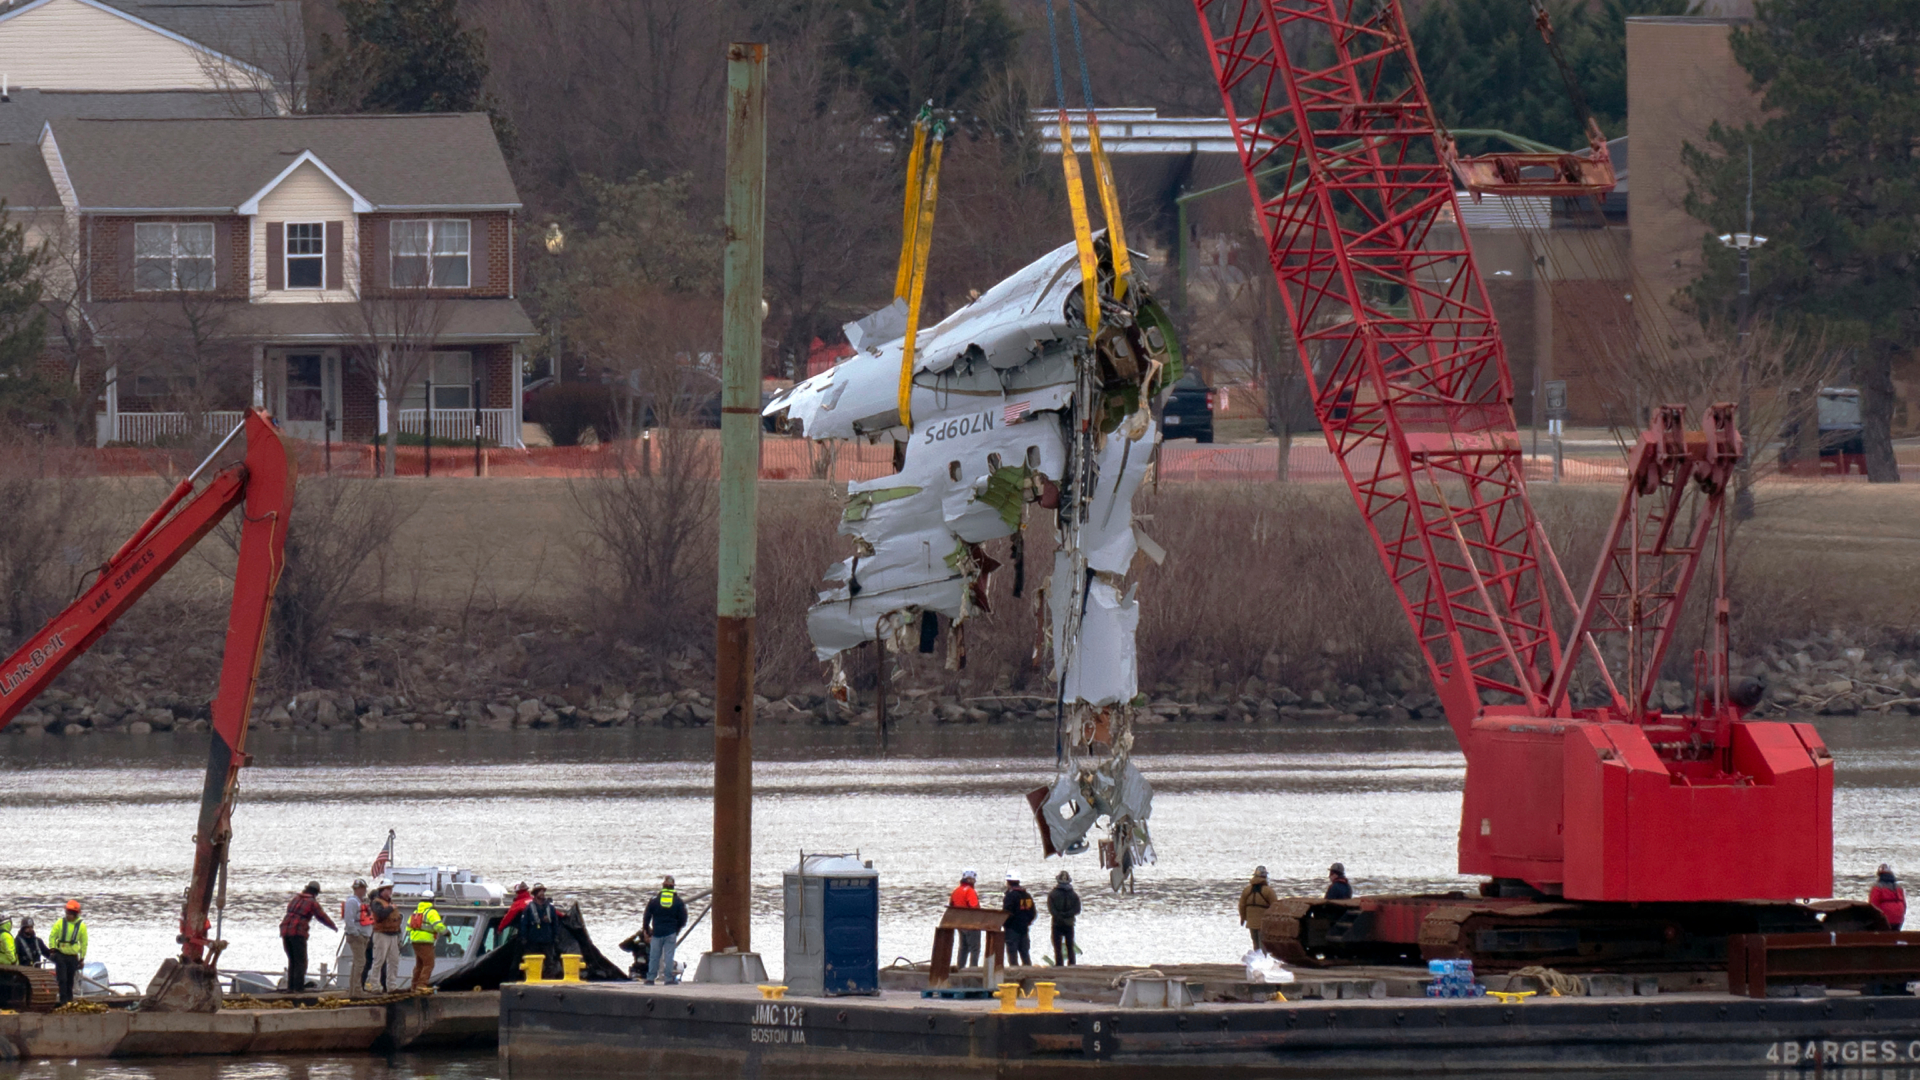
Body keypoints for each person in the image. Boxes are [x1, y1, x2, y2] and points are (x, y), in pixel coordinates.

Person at [279, 880, 338, 993]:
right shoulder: (312, 902)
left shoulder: (295, 898)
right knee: (301, 961)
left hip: (285, 931)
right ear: (315, 893)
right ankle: (298, 988)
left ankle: (290, 988)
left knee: (292, 960)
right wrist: (333, 926)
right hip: (297, 932)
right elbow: (321, 916)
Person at [642, 876, 688, 985]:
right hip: (671, 932)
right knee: (669, 956)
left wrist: (646, 930)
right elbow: (683, 918)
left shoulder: (654, 900)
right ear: (673, 887)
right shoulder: (678, 901)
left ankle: (650, 978)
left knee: (654, 956)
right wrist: (677, 929)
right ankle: (668, 979)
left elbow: (647, 916)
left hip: (657, 932)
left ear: (663, 886)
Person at [514, 883, 563, 978]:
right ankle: (532, 978)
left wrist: (556, 936)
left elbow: (555, 924)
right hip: (533, 940)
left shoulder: (550, 908)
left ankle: (548, 980)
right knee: (532, 961)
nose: (542, 893)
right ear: (535, 893)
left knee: (549, 962)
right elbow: (524, 924)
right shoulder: (528, 908)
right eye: (540, 892)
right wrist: (524, 937)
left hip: (547, 940)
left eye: (543, 891)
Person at [367, 879, 404, 994]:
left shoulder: (389, 902)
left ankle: (392, 986)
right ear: (382, 890)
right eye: (388, 889)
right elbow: (380, 915)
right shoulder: (376, 902)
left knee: (394, 961)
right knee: (379, 960)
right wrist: (390, 908)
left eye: (391, 889)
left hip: (393, 934)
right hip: (381, 934)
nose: (390, 891)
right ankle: (374, 986)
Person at [48, 900, 87, 1004]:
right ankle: (63, 1001)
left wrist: (82, 957)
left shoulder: (81, 926)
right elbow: (52, 935)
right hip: (61, 954)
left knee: (70, 980)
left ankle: (69, 1001)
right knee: (62, 979)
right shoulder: (60, 923)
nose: (68, 915)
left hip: (73, 957)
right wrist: (52, 949)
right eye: (67, 913)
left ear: (75, 914)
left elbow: (84, 942)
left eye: (70, 913)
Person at [341, 878, 374, 995]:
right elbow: (349, 920)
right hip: (357, 936)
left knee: (358, 962)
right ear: (357, 889)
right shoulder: (352, 902)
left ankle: (353, 990)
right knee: (360, 962)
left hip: (364, 936)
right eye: (362, 889)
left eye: (365, 889)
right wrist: (356, 933)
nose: (364, 891)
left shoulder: (361, 902)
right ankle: (357, 990)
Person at [408, 897, 448, 990]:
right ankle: (422, 985)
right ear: (432, 901)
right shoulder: (431, 912)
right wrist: (446, 932)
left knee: (419, 964)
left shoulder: (415, 912)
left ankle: (414, 986)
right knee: (429, 963)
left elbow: (408, 926)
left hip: (414, 940)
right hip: (425, 941)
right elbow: (438, 925)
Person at [1239, 866, 1278, 951]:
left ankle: (1257, 959)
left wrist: (1243, 918)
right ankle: (1263, 961)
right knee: (1263, 945)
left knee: (1255, 944)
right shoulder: (1268, 891)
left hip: (1251, 922)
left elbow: (1241, 905)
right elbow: (1275, 907)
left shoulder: (1247, 890)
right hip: (1264, 923)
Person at [1001, 873, 1036, 967]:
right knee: (1025, 953)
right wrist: (1027, 922)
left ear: (1008, 883)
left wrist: (1005, 924)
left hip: (1012, 929)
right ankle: (1028, 971)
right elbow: (1033, 913)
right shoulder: (1027, 895)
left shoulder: (1010, 896)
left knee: (1012, 954)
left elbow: (1007, 913)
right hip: (1024, 928)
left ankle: (1014, 973)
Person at [1048, 871, 1081, 966]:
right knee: (1070, 946)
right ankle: (1072, 964)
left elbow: (1051, 910)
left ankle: (1059, 965)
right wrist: (1067, 915)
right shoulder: (1074, 895)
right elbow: (1077, 909)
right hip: (1069, 924)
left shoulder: (1052, 894)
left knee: (1057, 947)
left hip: (1057, 923)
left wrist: (1060, 916)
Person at [951, 870, 982, 968]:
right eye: (974, 879)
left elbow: (952, 906)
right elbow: (974, 907)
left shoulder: (956, 891)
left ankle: (960, 968)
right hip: (971, 923)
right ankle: (973, 969)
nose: (975, 881)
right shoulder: (970, 891)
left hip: (960, 923)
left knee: (963, 948)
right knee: (975, 948)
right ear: (970, 879)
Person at [1872, 864, 1908, 930]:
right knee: (1894, 936)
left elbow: (1873, 906)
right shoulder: (1899, 888)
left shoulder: (1877, 887)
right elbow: (1904, 905)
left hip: (1885, 919)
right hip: (1899, 918)